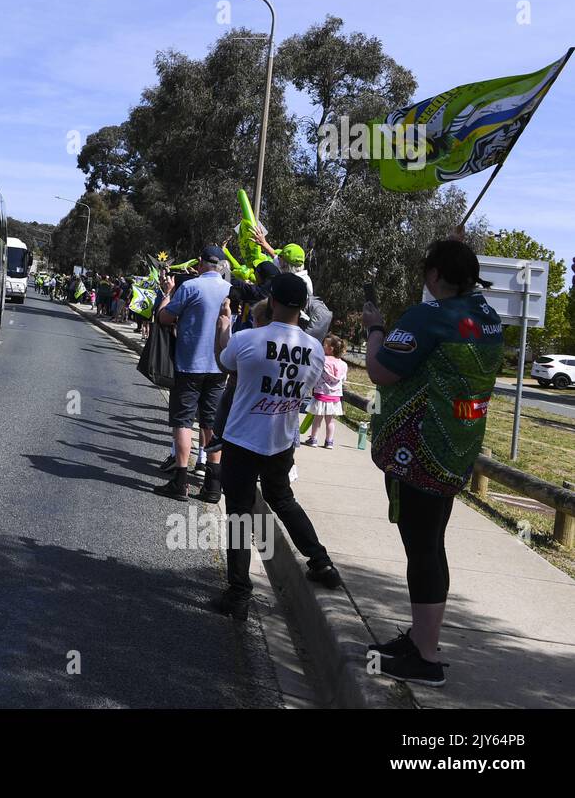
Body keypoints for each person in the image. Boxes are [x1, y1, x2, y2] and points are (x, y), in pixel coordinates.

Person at [362, 237, 503, 687]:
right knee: (431, 544)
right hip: (456, 449)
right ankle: (422, 639)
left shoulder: (427, 317)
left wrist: (376, 329)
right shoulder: (488, 319)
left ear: (435, 275)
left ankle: (425, 657)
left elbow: (381, 370)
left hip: (418, 451)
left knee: (422, 550)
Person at [211, 273, 343, 620]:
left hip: (242, 439)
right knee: (283, 499)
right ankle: (320, 561)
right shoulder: (315, 349)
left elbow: (224, 364)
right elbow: (306, 389)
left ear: (272, 302)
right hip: (281, 441)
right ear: (302, 308)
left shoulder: (248, 339)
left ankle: (239, 593)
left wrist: (223, 325)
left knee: (239, 512)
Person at [153, 246, 231, 502]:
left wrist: (166, 294)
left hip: (189, 365)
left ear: (200, 263)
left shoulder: (190, 287)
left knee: (184, 422)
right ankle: (212, 485)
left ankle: (180, 480)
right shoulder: (229, 290)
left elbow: (165, 318)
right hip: (219, 367)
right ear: (221, 266)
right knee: (211, 423)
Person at [303, 336, 347, 449]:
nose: (322, 346)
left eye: (324, 345)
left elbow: (314, 374)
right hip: (335, 397)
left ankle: (313, 439)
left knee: (317, 418)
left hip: (321, 394)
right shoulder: (343, 365)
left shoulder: (322, 360)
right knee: (330, 421)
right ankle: (329, 442)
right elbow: (343, 380)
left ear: (331, 348)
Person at [250, 223, 313, 298]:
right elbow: (274, 255)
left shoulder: (294, 286)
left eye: (280, 257)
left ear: (285, 264)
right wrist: (263, 243)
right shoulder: (292, 269)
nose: (278, 258)